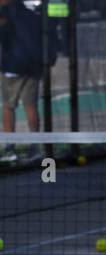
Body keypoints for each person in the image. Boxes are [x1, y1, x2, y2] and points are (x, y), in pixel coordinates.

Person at [0, 0, 51, 162]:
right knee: (31, 106)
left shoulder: (4, 15)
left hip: (12, 67)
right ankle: (35, 148)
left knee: (8, 106)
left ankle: (9, 148)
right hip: (33, 67)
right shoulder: (32, 16)